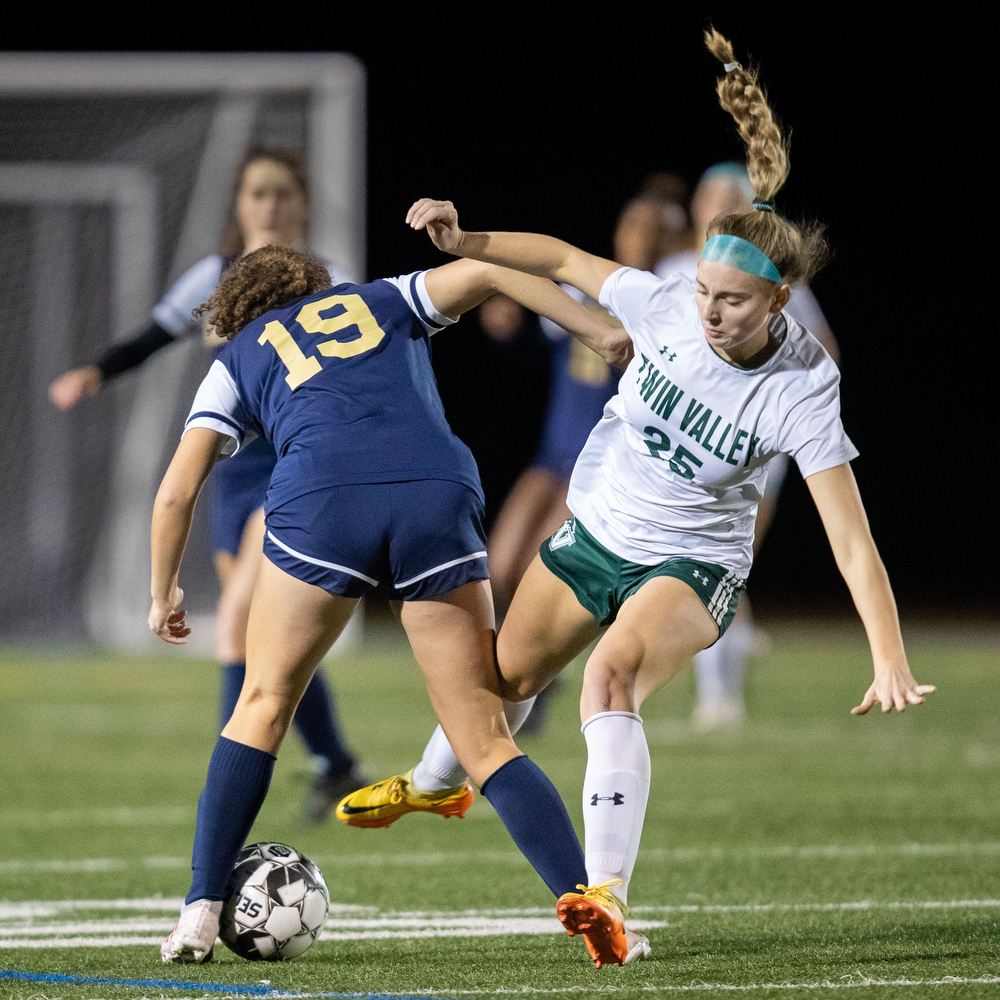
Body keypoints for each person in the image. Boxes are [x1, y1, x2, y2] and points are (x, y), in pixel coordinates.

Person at [337, 28, 936, 970]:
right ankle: (436, 781)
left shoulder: (803, 384)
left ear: (778, 305)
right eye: (704, 291)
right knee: (498, 685)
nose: (709, 311)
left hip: (691, 565)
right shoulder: (665, 303)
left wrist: (888, 655)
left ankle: (604, 896)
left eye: (732, 301)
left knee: (610, 677)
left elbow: (851, 540)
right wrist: (466, 239)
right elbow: (561, 258)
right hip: (597, 532)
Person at [151, 243, 632, 964]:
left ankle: (198, 914)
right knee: (485, 737)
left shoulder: (240, 354)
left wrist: (163, 591)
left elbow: (176, 492)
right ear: (316, 287)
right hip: (434, 488)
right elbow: (489, 272)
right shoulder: (381, 297)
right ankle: (592, 904)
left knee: (263, 702)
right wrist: (595, 329)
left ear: (240, 309)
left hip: (325, 498)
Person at [48, 147, 367, 823]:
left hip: (299, 468)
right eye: (257, 193)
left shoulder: (329, 280)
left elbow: (374, 351)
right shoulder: (215, 277)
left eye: (281, 192)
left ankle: (225, 790)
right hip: (236, 476)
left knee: (240, 620)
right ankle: (336, 764)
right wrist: (96, 372)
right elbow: (153, 336)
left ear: (303, 204)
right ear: (240, 205)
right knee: (268, 638)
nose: (270, 205)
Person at [486, 180, 689, 736]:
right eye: (632, 225)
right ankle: (524, 677)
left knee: (540, 567)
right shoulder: (589, 293)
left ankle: (535, 683)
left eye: (652, 230)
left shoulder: (669, 308)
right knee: (499, 564)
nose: (639, 237)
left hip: (599, 468)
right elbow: (541, 348)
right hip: (552, 455)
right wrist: (510, 328)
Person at [656, 161, 841, 731]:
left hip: (747, 447)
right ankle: (714, 679)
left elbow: (822, 355)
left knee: (719, 564)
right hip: (684, 438)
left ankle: (719, 695)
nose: (713, 209)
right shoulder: (673, 269)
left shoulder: (772, 280)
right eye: (706, 198)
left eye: (726, 200)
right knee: (689, 563)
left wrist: (776, 414)